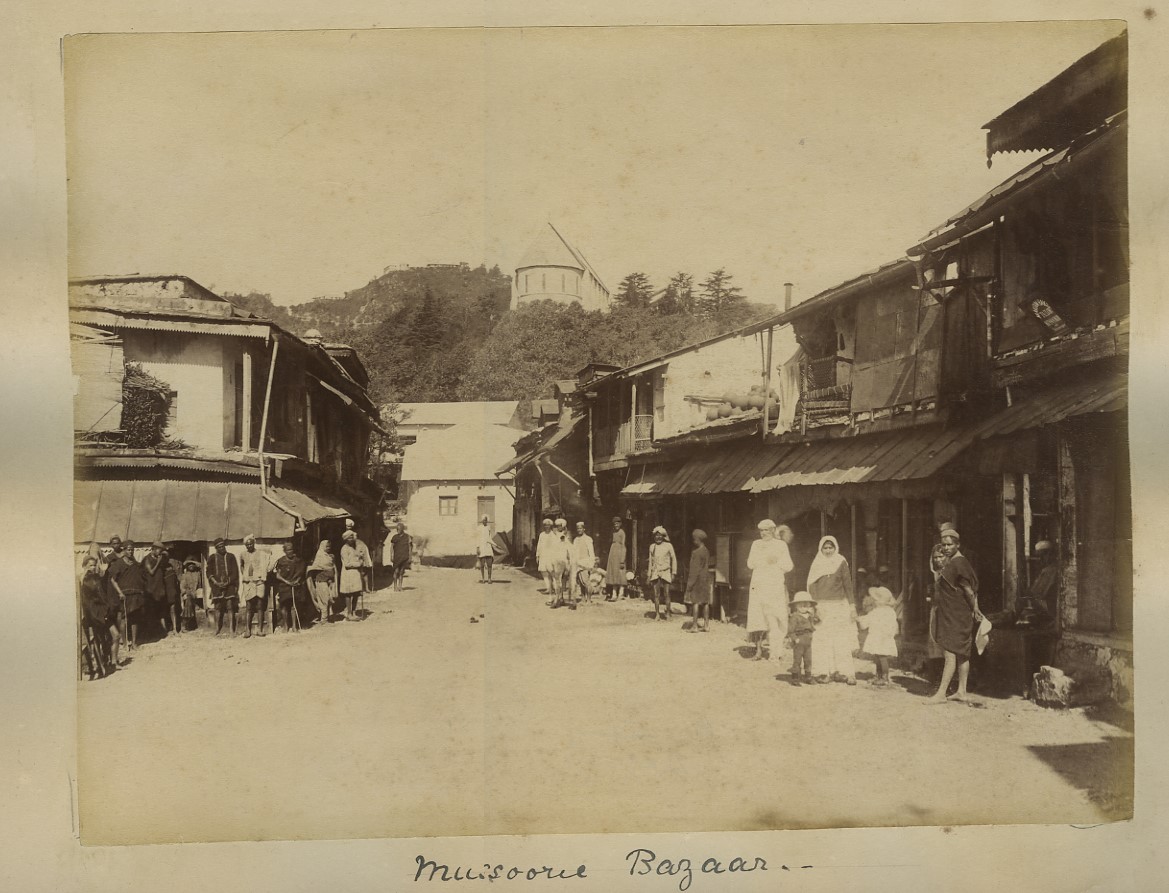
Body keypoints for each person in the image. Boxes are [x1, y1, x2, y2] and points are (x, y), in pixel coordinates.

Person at [926, 529, 983, 704]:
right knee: (962, 654)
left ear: (958, 545)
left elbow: (968, 590)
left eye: (950, 544)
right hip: (956, 613)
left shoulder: (958, 563)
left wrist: (975, 609)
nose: (946, 548)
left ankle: (941, 693)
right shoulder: (956, 562)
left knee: (951, 652)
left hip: (957, 614)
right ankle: (961, 691)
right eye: (943, 545)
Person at [807, 535, 857, 684]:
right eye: (825, 548)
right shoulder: (817, 564)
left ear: (835, 548)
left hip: (839, 606)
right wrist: (814, 607)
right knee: (822, 640)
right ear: (821, 549)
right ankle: (824, 672)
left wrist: (852, 606)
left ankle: (844, 672)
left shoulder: (841, 562)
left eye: (831, 548)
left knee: (840, 639)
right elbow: (811, 586)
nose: (828, 551)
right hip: (822, 607)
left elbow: (848, 585)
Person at [746, 520, 794, 661]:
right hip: (759, 584)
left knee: (775, 617)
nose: (764, 533)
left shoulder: (781, 545)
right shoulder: (756, 544)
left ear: (773, 530)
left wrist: (777, 562)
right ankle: (758, 650)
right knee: (758, 617)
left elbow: (788, 565)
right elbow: (750, 563)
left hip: (774, 585)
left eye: (767, 530)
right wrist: (761, 560)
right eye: (761, 530)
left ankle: (775, 652)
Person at [105, 537, 147, 650]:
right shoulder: (119, 563)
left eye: (132, 549)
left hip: (135, 595)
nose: (130, 552)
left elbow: (140, 578)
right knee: (123, 619)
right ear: (124, 550)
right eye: (128, 549)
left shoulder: (136, 565)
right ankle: (124, 643)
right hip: (124, 596)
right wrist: (119, 593)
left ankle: (134, 643)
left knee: (135, 618)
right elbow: (113, 580)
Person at [856, 586, 899, 688]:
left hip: (881, 638)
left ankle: (884, 677)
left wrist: (859, 619)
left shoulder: (877, 612)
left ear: (879, 601)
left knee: (881, 657)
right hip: (881, 637)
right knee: (878, 657)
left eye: (875, 600)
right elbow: (895, 625)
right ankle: (879, 676)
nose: (874, 601)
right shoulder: (890, 612)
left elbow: (867, 621)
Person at [80, 556, 113, 677]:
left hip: (95, 612)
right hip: (90, 612)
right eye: (91, 565)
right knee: (93, 640)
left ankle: (100, 667)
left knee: (99, 640)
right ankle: (95, 667)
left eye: (94, 565)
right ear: (85, 566)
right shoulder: (87, 578)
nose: (93, 568)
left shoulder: (94, 578)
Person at [239, 534, 270, 638]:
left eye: (251, 544)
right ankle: (248, 630)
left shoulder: (261, 554)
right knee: (249, 606)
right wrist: (245, 575)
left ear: (254, 543)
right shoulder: (243, 554)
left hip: (259, 581)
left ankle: (260, 629)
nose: (249, 546)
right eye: (247, 545)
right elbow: (242, 565)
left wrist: (260, 576)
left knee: (260, 605)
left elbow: (266, 564)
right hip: (248, 582)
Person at [207, 537, 240, 636]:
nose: (222, 548)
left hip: (229, 585)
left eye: (223, 546)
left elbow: (235, 572)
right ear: (216, 548)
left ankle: (231, 629)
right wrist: (216, 583)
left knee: (230, 606)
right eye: (219, 547)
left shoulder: (231, 556)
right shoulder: (212, 558)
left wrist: (227, 582)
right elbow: (208, 572)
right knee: (217, 607)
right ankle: (217, 628)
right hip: (216, 586)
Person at [272, 542, 307, 632]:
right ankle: (285, 625)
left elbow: (301, 573)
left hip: (295, 585)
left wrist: (297, 580)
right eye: (288, 550)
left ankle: (294, 626)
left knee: (293, 606)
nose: (290, 552)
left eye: (291, 549)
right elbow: (277, 575)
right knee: (283, 606)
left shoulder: (298, 560)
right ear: (285, 551)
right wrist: (287, 582)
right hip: (284, 585)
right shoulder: (281, 561)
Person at [786, 592, 819, 685]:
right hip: (799, 640)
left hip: (808, 641)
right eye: (801, 606)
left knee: (808, 659)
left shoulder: (810, 616)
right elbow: (790, 631)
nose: (803, 608)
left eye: (806, 606)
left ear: (809, 606)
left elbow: (818, 621)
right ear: (796, 606)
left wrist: (813, 614)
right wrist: (795, 638)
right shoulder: (794, 617)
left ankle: (808, 676)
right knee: (797, 660)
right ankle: (795, 678)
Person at [683, 529, 712, 631]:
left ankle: (695, 625)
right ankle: (706, 625)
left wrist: (689, 585)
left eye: (694, 539)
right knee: (705, 602)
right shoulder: (706, 550)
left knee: (695, 602)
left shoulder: (696, 553)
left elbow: (693, 571)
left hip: (697, 581)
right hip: (705, 579)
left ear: (697, 540)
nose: (693, 541)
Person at [647, 526, 677, 621]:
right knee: (656, 594)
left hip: (666, 571)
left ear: (663, 536)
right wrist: (649, 575)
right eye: (656, 536)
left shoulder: (668, 546)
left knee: (667, 593)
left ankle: (667, 613)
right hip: (656, 572)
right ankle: (657, 614)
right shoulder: (652, 547)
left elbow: (674, 559)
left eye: (660, 535)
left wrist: (673, 573)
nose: (658, 537)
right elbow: (650, 562)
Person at [142, 541, 171, 638]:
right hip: (150, 589)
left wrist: (164, 554)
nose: (160, 552)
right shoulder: (147, 559)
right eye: (158, 549)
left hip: (159, 588)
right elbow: (151, 572)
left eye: (161, 550)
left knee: (161, 611)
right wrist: (158, 562)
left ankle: (164, 631)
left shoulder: (161, 558)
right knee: (151, 612)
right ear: (153, 549)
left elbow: (167, 556)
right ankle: (151, 633)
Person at [307, 539, 337, 623]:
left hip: (329, 580)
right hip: (321, 580)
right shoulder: (320, 556)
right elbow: (316, 567)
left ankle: (327, 617)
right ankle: (324, 619)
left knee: (330, 598)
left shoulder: (330, 556)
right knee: (325, 599)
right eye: (326, 546)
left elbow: (332, 567)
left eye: (329, 546)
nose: (328, 548)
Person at [340, 530, 364, 620]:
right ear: (346, 539)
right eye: (350, 538)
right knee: (349, 594)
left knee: (356, 592)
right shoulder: (344, 549)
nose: (352, 539)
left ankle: (354, 612)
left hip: (355, 573)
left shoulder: (353, 548)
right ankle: (349, 614)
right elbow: (347, 563)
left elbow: (357, 557)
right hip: (348, 574)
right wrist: (358, 564)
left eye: (352, 537)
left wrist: (361, 558)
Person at [571, 521, 596, 603]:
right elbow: (574, 552)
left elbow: (591, 552)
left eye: (581, 528)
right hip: (577, 563)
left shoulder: (588, 539)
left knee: (586, 582)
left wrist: (591, 563)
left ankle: (589, 599)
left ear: (584, 529)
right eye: (578, 528)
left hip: (585, 563)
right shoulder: (576, 539)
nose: (579, 530)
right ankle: (583, 598)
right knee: (580, 582)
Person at [536, 519, 560, 602]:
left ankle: (554, 589)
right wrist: (537, 555)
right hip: (543, 555)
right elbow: (539, 545)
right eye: (545, 525)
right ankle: (548, 588)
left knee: (552, 573)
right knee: (544, 572)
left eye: (548, 525)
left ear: (551, 526)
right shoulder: (542, 535)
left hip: (551, 556)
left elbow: (557, 546)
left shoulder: (553, 534)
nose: (547, 527)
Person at [605, 516, 627, 601]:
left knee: (620, 573)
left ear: (620, 524)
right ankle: (614, 594)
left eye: (617, 523)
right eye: (615, 524)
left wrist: (622, 559)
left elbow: (623, 546)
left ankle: (621, 593)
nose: (616, 525)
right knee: (613, 573)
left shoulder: (622, 533)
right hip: (613, 554)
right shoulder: (613, 533)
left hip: (619, 554)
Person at [386, 522, 412, 592]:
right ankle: (395, 587)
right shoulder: (394, 537)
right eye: (397, 529)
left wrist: (410, 557)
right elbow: (391, 547)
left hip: (404, 557)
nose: (398, 530)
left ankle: (400, 586)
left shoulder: (407, 537)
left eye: (399, 529)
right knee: (396, 571)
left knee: (401, 572)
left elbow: (409, 547)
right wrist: (391, 555)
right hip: (396, 557)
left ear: (402, 529)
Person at [164, 544, 183, 635]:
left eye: (166, 557)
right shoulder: (159, 568)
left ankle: (175, 628)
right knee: (163, 610)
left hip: (171, 591)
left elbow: (176, 579)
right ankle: (165, 630)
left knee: (173, 609)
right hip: (162, 592)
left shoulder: (171, 567)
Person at [179, 558, 202, 631]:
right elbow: (182, 587)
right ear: (187, 567)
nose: (191, 566)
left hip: (195, 592)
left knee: (191, 599)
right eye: (189, 565)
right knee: (188, 600)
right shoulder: (184, 575)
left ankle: (186, 623)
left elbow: (199, 585)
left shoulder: (198, 574)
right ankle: (186, 623)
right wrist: (187, 591)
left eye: (193, 564)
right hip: (187, 592)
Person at [476, 515, 496, 584]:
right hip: (481, 547)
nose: (485, 521)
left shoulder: (488, 528)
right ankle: (483, 579)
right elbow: (477, 539)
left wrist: (495, 545)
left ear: (487, 520)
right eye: (484, 520)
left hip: (488, 547)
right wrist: (478, 548)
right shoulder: (479, 528)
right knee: (482, 565)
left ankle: (489, 579)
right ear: (482, 521)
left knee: (489, 564)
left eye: (486, 520)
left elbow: (490, 539)